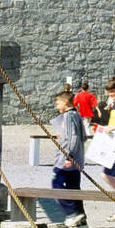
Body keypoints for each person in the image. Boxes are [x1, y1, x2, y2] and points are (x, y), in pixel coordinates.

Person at [50, 89, 86, 220]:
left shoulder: (68, 116)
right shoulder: (77, 115)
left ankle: (72, 213)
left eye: (58, 103)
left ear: (65, 102)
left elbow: (74, 137)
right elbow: (81, 136)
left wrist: (68, 156)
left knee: (56, 184)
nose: (57, 107)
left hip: (67, 159)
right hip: (77, 160)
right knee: (74, 189)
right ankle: (81, 217)